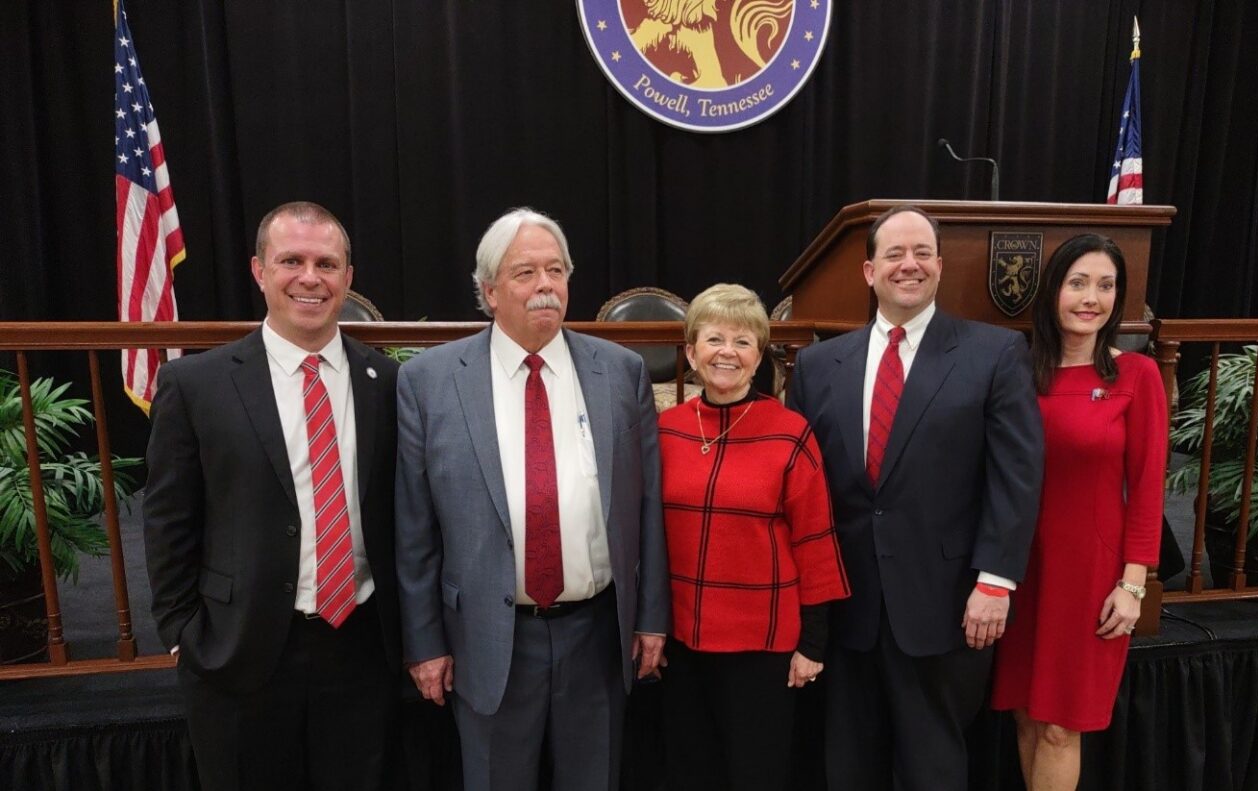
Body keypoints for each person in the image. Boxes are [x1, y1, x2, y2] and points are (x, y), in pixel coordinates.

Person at [394, 207, 669, 791]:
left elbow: (647, 510)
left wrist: (651, 618)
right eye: (525, 273)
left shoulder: (622, 373)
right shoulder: (430, 382)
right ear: (490, 291)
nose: (545, 285)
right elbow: (415, 529)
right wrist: (424, 644)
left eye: (556, 270)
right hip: (486, 639)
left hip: (597, 635)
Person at [143, 201, 402, 791]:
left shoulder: (386, 382)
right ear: (259, 271)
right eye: (291, 261)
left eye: (326, 264)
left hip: (360, 648)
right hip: (238, 652)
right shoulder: (197, 384)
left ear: (347, 277)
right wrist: (181, 630)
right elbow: (167, 519)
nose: (310, 278)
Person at [786, 205, 1045, 790]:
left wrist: (995, 582)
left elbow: (1017, 476)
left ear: (940, 266)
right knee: (848, 766)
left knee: (932, 768)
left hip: (946, 604)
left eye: (923, 252)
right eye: (895, 254)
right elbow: (802, 490)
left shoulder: (995, 354)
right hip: (846, 607)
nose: (910, 264)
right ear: (869, 271)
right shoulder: (818, 365)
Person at [991, 234, 1168, 791]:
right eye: (1078, 283)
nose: (1092, 298)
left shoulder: (1136, 375)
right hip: (1019, 571)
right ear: (1052, 291)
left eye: (1106, 285)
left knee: (1060, 728)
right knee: (1025, 715)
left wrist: (1133, 586)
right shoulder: (1015, 372)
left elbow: (1147, 489)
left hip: (1090, 576)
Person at [657, 283, 850, 791]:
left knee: (755, 774)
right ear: (691, 352)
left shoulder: (790, 431)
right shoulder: (665, 430)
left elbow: (815, 543)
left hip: (763, 646)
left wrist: (813, 643)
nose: (727, 352)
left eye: (743, 342)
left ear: (759, 357)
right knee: (689, 774)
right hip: (682, 642)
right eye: (714, 339)